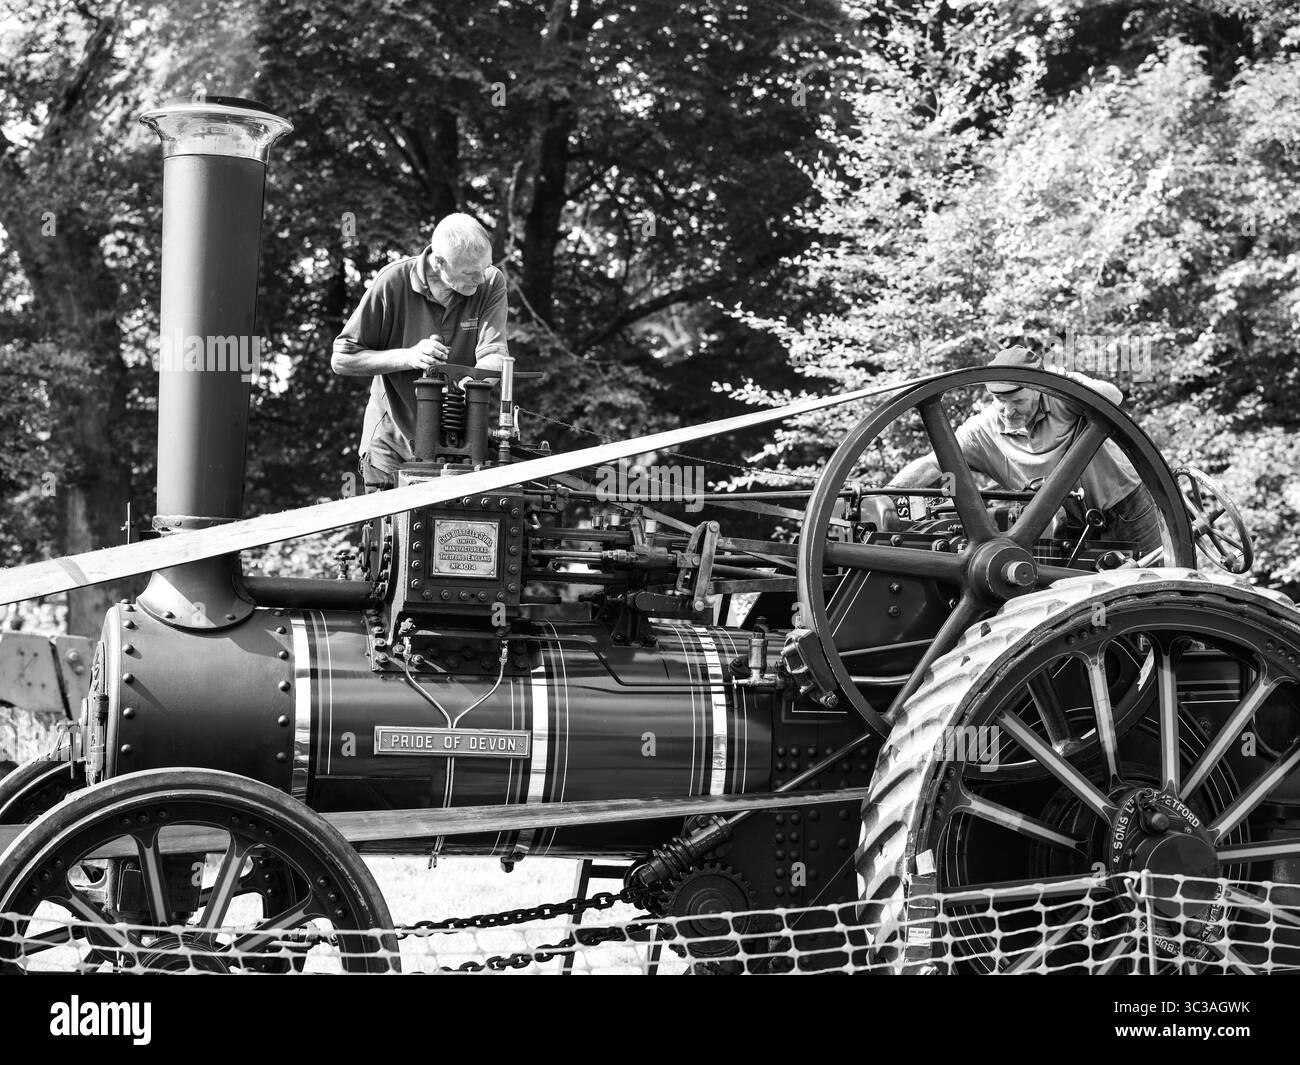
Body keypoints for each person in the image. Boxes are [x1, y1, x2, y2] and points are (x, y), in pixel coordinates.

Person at [890, 346, 1162, 552]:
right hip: (1070, 531)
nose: (1008, 410)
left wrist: (1065, 383)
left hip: (1126, 510)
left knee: (1149, 594)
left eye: (1017, 400)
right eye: (999, 400)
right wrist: (885, 498)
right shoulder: (984, 430)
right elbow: (932, 464)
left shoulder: (1063, 401)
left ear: (1038, 388)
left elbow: (1113, 397)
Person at [332, 213, 510, 491]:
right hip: (392, 448)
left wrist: (467, 384)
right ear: (439, 262)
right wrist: (408, 357)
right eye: (469, 273)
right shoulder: (392, 282)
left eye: (484, 267)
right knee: (393, 533)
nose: (480, 278)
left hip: (459, 449)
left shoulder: (490, 282)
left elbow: (494, 355)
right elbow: (342, 358)